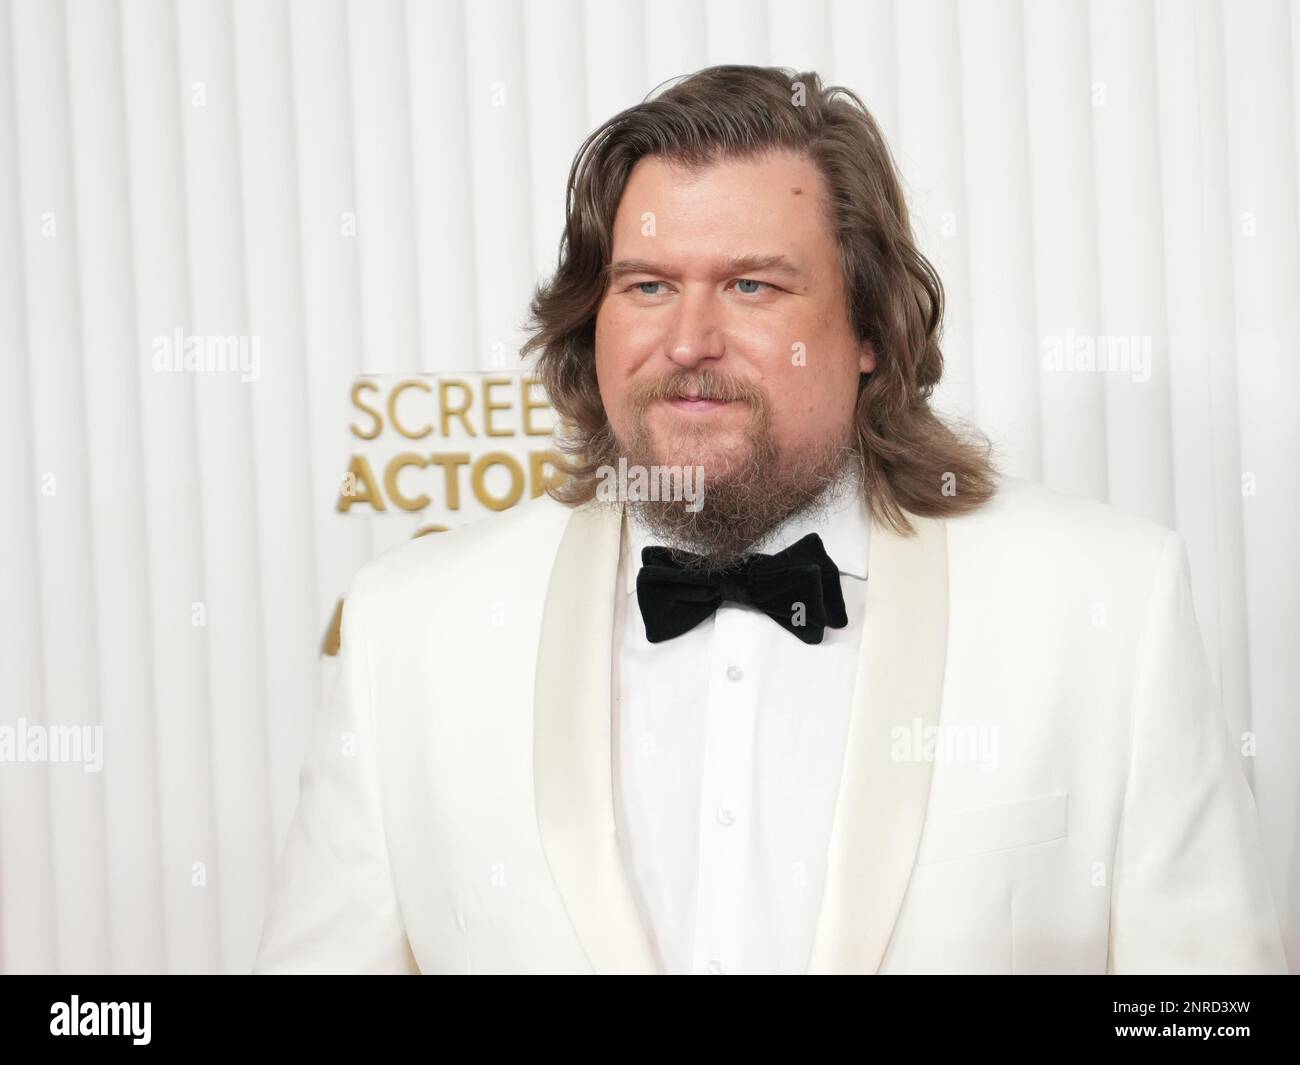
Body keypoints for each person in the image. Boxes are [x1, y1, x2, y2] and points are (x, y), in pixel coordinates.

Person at [253, 64, 1287, 974]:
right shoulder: (409, 631)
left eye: (751, 285)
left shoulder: (1106, 606)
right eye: (648, 285)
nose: (689, 339)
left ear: (871, 330)